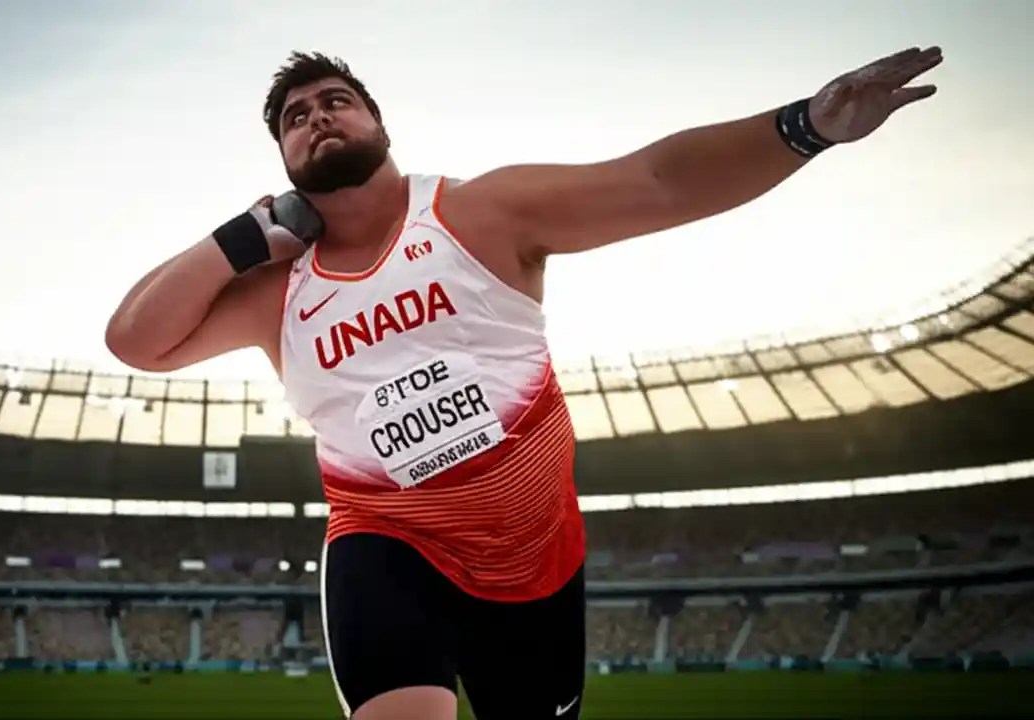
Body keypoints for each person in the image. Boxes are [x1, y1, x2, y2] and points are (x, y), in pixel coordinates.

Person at [105, 46, 943, 719]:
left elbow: (655, 182)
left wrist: (808, 125)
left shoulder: (479, 213)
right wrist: (245, 236)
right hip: (386, 542)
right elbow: (137, 340)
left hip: (532, 559)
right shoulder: (276, 293)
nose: (317, 118)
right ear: (284, 159)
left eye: (334, 102)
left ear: (377, 122)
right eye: (295, 119)